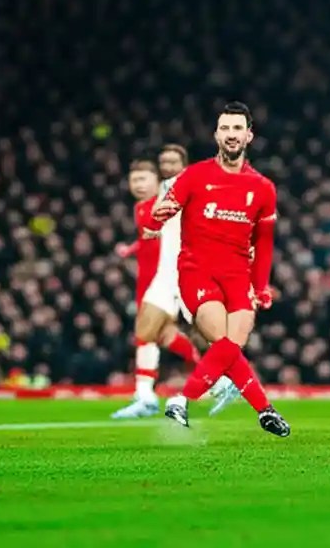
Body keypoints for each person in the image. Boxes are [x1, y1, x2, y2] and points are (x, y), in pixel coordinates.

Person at [149, 101, 290, 437]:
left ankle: (265, 411)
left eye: (237, 128)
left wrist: (262, 286)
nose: (231, 134)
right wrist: (157, 216)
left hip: (239, 276)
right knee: (224, 342)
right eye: (225, 128)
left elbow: (264, 244)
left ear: (249, 135)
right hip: (197, 271)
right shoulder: (195, 175)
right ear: (216, 135)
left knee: (229, 348)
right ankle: (183, 400)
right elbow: (162, 213)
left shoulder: (263, 188)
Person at [110, 150, 212, 418]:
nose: (138, 185)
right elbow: (148, 238)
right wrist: (130, 249)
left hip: (167, 279)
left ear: (158, 182)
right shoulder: (140, 208)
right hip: (149, 280)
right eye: (134, 180)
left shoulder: (168, 203)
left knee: (144, 333)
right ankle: (210, 375)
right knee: (164, 335)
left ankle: (145, 395)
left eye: (144, 179)